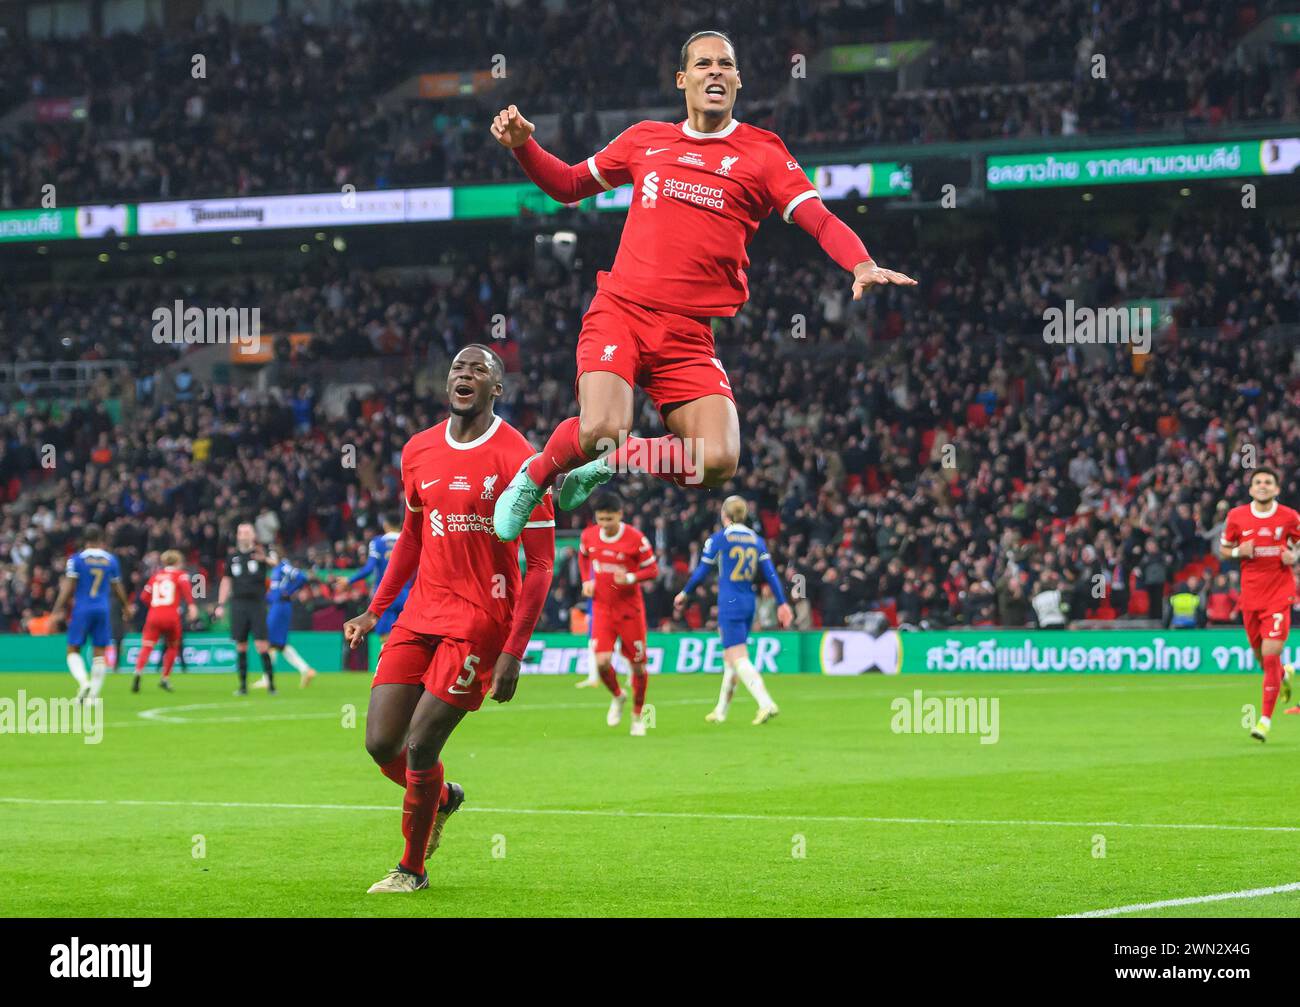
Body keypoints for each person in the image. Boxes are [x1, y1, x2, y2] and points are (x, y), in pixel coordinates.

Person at [489, 29, 916, 541]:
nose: (715, 71)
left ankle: (619, 459)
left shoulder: (762, 153)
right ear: (682, 79)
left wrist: (861, 263)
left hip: (689, 335)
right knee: (602, 427)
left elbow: (819, 219)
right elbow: (568, 185)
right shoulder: (645, 138)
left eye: (725, 65)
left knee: (717, 461)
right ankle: (537, 475)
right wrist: (524, 147)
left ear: (737, 80)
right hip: (621, 313)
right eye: (704, 64)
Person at [344, 345, 555, 894]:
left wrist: (514, 650)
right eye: (458, 368)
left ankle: (411, 870)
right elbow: (411, 539)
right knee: (380, 743)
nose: (464, 375)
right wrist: (374, 610)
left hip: (481, 620)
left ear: (496, 390)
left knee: (420, 745)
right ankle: (442, 798)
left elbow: (542, 564)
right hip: (420, 613)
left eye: (478, 370)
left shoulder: (522, 459)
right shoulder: (417, 451)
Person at [674, 495, 792, 724]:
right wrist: (782, 602)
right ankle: (721, 711)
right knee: (730, 658)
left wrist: (685, 592)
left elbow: (702, 571)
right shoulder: (756, 540)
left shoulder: (720, 539)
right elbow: (770, 574)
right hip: (749, 601)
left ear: (724, 515)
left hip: (730, 603)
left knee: (738, 656)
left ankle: (766, 703)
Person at [1218, 468, 1300, 742]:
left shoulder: (1289, 517)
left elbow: (1299, 547)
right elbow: (1224, 549)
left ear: (1277, 489)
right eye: (1258, 482)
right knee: (1261, 658)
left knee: (1271, 653)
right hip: (1251, 597)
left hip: (1279, 594)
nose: (1263, 486)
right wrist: (1239, 551)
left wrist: (1294, 556)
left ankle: (1264, 721)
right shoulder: (1236, 517)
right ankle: (1284, 673)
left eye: (1268, 482)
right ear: (1251, 489)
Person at [579, 493, 659, 736]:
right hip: (602, 609)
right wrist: (586, 581)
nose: (604, 524)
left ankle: (637, 716)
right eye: (600, 519)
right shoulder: (588, 536)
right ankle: (617, 696)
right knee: (602, 661)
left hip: (629, 611)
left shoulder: (636, 539)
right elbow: (584, 557)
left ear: (620, 515)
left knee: (637, 668)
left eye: (609, 519)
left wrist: (632, 577)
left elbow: (653, 570)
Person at [49, 524, 132, 702]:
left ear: (84, 540)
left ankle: (83, 682)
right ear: (101, 539)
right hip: (103, 609)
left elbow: (68, 586)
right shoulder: (111, 560)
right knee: (99, 653)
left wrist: (56, 609)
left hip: (82, 608)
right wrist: (126, 606)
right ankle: (93, 696)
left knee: (72, 649)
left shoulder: (76, 559)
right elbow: (117, 586)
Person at [213, 522, 275, 696]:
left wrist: (266, 559)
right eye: (241, 532)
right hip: (238, 605)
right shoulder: (232, 557)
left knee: (261, 645)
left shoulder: (261, 553)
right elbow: (226, 581)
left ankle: (271, 684)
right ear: (238, 536)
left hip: (257, 604)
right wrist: (220, 605)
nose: (244, 535)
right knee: (241, 645)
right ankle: (242, 686)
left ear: (253, 535)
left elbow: (277, 564)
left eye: (247, 532)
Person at [132, 550, 193, 693]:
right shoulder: (181, 575)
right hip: (171, 615)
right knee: (172, 646)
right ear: (178, 562)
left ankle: (138, 671)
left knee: (147, 646)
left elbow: (144, 597)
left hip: (154, 615)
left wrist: (155, 606)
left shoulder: (155, 576)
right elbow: (187, 591)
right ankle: (165, 678)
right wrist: (191, 606)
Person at [259, 552, 317, 689]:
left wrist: (289, 591)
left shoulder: (283, 566)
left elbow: (301, 577)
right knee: (279, 644)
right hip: (278, 605)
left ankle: (267, 679)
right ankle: (306, 670)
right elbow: (275, 592)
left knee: (269, 641)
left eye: (270, 556)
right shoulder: (276, 570)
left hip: (280, 607)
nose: (268, 559)